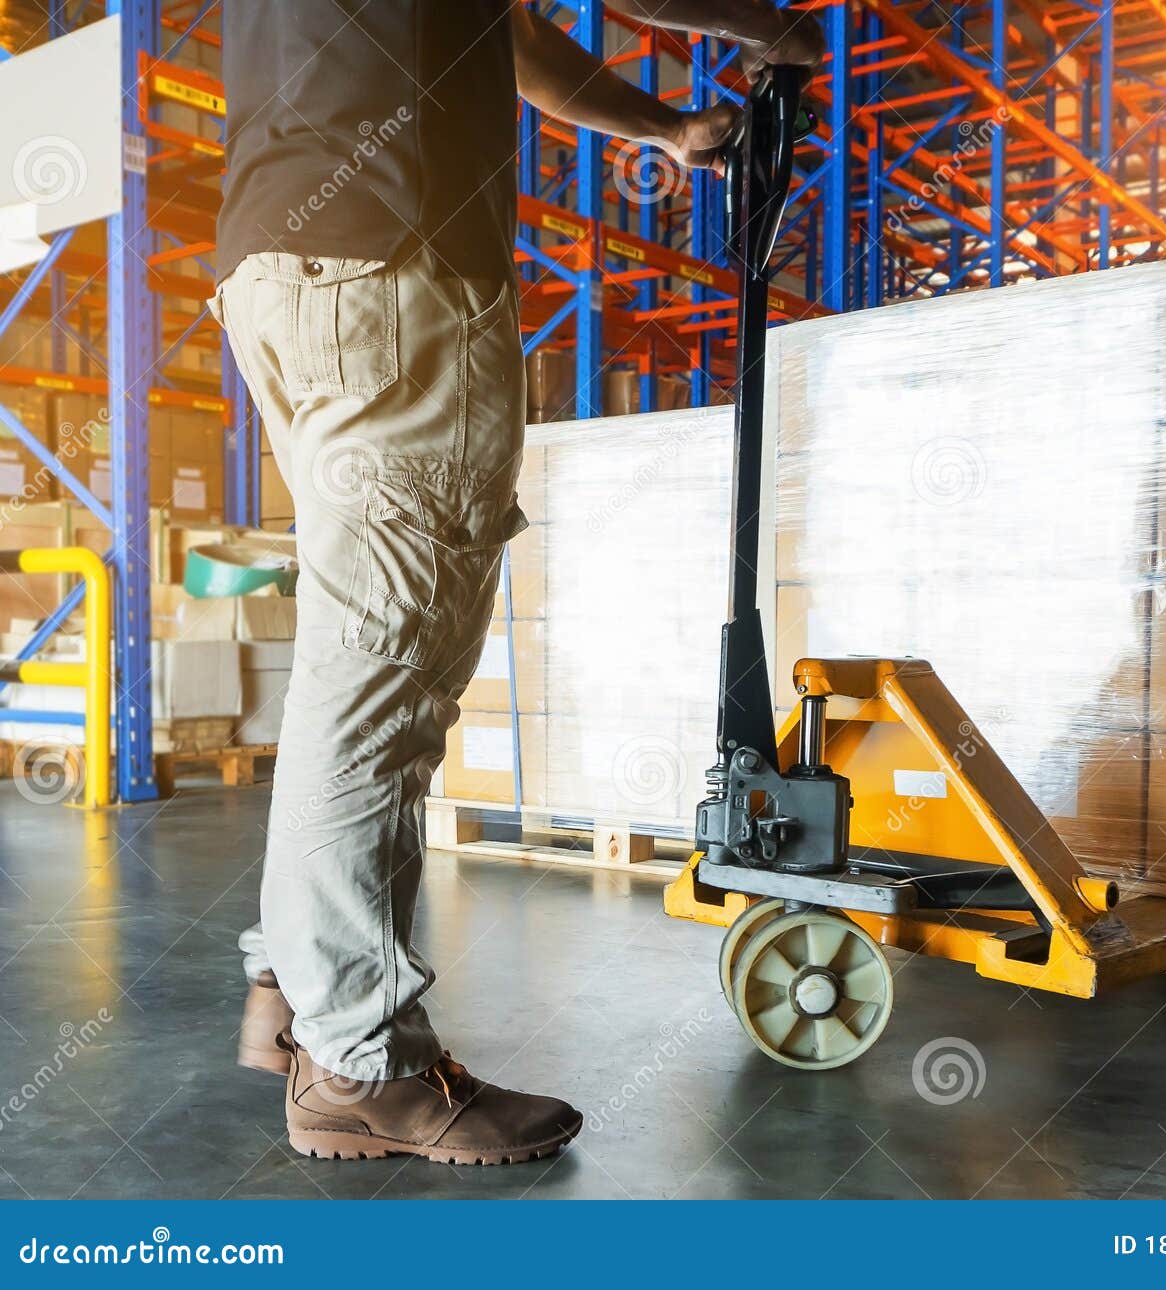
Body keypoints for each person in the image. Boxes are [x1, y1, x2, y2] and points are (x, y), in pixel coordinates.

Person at [214, 0, 822, 1166]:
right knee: (383, 685)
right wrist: (764, 26)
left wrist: (660, 127)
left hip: (280, 267)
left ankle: (297, 989)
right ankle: (361, 1066)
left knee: (353, 666)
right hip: (393, 266)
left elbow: (508, 29)